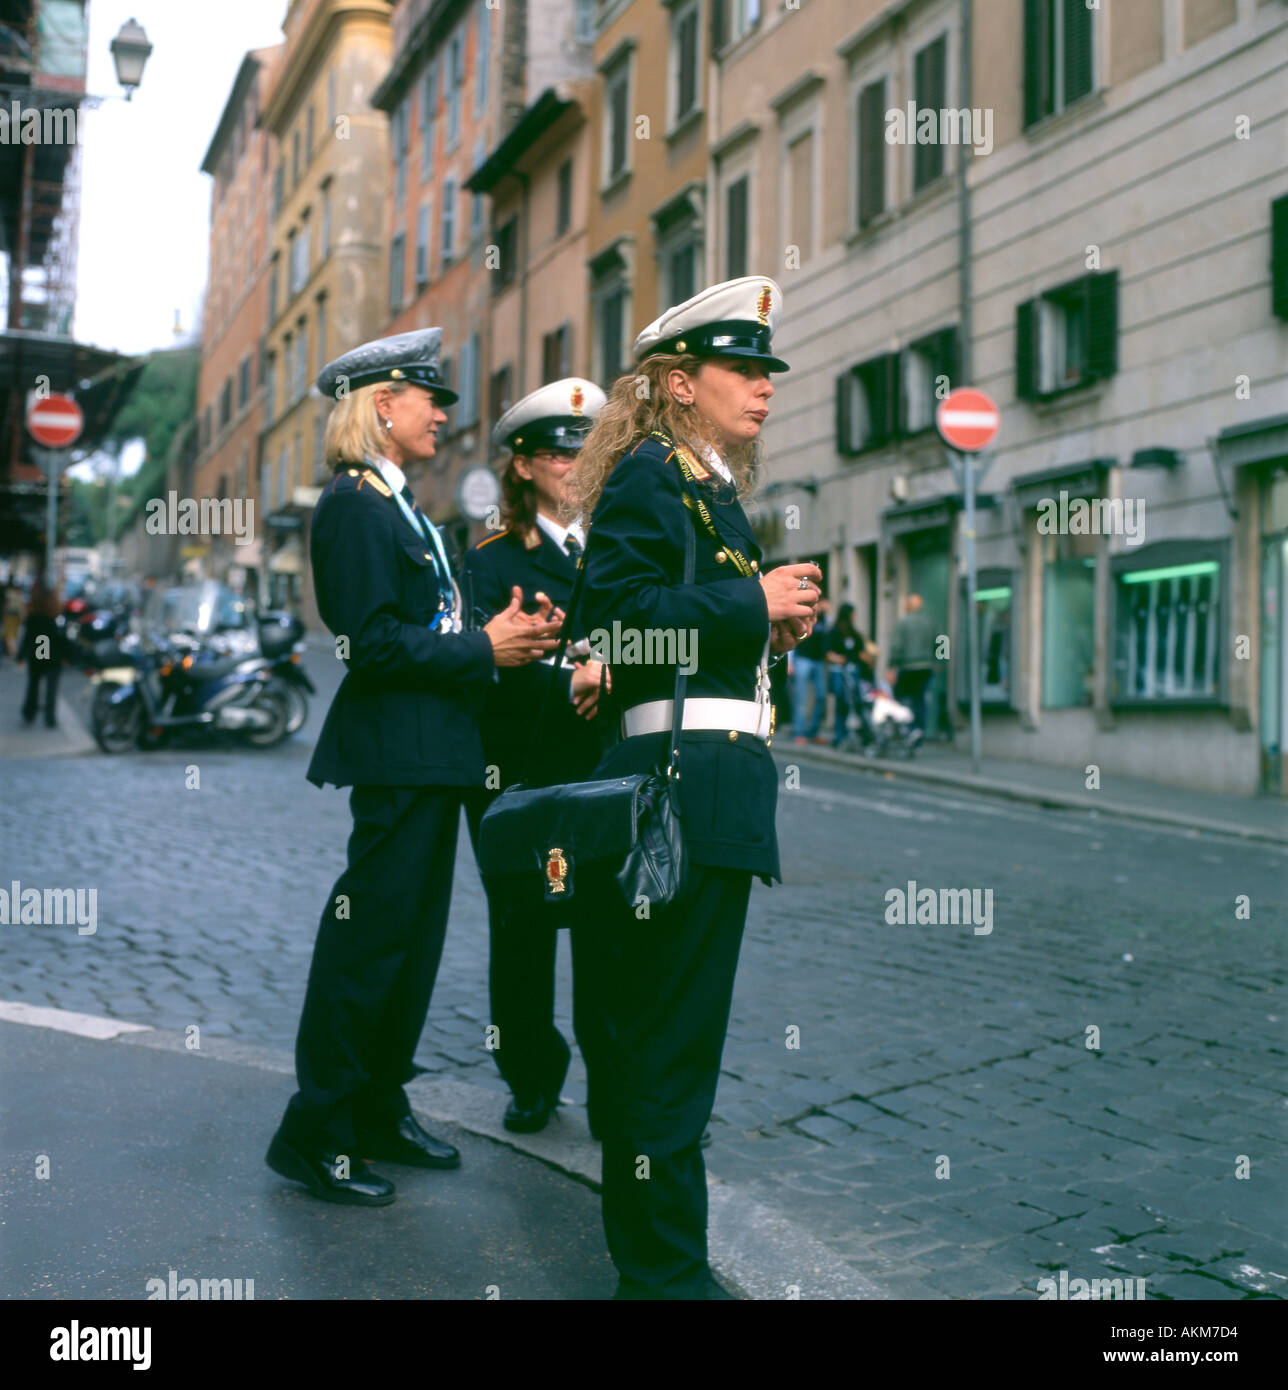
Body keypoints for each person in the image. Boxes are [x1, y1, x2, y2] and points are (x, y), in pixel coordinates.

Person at [265, 328, 563, 1207]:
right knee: (369, 946)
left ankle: (375, 1106)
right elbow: (371, 645)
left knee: (412, 948)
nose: (444, 412)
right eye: (429, 398)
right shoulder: (354, 505)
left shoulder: (403, 506)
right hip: (397, 754)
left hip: (436, 754)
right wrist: (483, 648)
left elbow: (431, 625)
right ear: (382, 407)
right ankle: (314, 1131)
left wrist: (507, 633)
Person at [566, 275, 820, 1299]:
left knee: (665, 1040)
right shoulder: (647, 478)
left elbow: (682, 630)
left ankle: (659, 1263)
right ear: (677, 383)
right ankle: (664, 1275)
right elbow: (618, 628)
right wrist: (744, 601)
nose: (762, 386)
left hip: (710, 782)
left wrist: (767, 623)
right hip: (671, 786)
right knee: (662, 1047)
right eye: (741, 369)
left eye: (765, 371)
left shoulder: (706, 486)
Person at [461, 377, 610, 1135]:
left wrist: (612, 662)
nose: (574, 468)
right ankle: (530, 1073)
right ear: (522, 466)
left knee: (612, 929)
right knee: (523, 931)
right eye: (557, 454)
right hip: (520, 775)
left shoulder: (616, 546)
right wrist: (570, 671)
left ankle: (615, 1079)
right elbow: (485, 660)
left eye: (586, 453)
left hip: (605, 769)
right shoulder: (490, 559)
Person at [826, 602, 876, 749]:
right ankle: (839, 734)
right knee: (842, 701)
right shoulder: (834, 632)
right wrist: (838, 659)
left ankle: (854, 734)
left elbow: (861, 651)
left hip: (853, 671)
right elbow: (828, 653)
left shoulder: (854, 634)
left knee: (855, 701)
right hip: (839, 672)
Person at [887, 592, 937, 735]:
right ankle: (919, 729)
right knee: (920, 699)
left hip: (907, 667)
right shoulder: (930, 622)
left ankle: (904, 729)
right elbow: (942, 640)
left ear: (909, 606)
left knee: (900, 697)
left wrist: (891, 666)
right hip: (926, 667)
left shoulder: (903, 622)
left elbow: (896, 646)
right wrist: (940, 660)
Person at [18, 578, 65, 727]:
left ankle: (29, 713)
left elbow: (27, 638)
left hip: (38, 654)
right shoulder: (54, 617)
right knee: (51, 689)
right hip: (53, 656)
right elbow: (61, 639)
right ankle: (50, 718)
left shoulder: (33, 617)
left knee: (34, 685)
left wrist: (21, 655)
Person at [791, 595, 831, 743]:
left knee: (821, 696)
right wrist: (790, 661)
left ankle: (813, 731)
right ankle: (799, 732)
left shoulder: (825, 619)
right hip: (803, 659)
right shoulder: (804, 614)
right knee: (801, 697)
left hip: (819, 661)